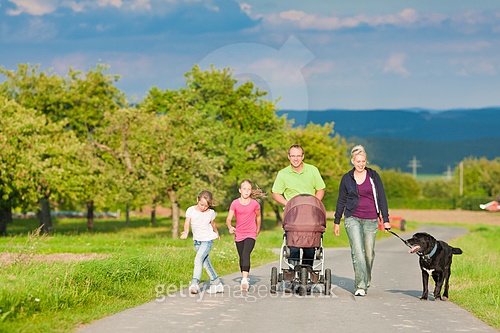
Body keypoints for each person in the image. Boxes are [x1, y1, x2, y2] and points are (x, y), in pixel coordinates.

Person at [333, 145, 391, 297]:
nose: (361, 164)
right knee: (358, 252)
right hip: (352, 217)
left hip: (371, 219)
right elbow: (341, 200)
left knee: (369, 254)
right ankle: (360, 285)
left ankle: (366, 279)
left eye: (363, 161)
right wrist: (337, 221)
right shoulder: (347, 178)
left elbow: (382, 198)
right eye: (358, 161)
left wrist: (385, 219)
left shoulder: (373, 176)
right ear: (352, 161)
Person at [272, 144, 326, 266]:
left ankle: (307, 272)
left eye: (298, 156)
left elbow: (320, 189)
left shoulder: (312, 170)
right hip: (294, 215)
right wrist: (288, 203)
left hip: (310, 214)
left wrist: (314, 203)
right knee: (293, 245)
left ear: (302, 156)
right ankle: (293, 274)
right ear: (288, 157)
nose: (295, 159)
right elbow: (275, 193)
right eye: (293, 156)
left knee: (310, 245)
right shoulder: (283, 174)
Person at [226, 180, 267, 291]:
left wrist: (258, 229)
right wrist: (230, 227)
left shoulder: (254, 204)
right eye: (244, 189)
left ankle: (244, 280)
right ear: (240, 190)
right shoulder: (235, 203)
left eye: (249, 189)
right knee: (241, 257)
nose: (246, 191)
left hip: (250, 233)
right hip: (239, 234)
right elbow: (229, 218)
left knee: (245, 254)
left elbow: (258, 216)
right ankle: (244, 276)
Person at [180, 190, 224, 294]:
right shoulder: (191, 210)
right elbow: (187, 222)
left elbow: (213, 224)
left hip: (207, 241)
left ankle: (194, 283)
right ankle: (217, 284)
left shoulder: (211, 213)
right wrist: (186, 232)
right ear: (197, 200)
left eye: (206, 206)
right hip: (197, 242)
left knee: (198, 260)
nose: (203, 207)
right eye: (202, 204)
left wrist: (217, 233)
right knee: (205, 264)